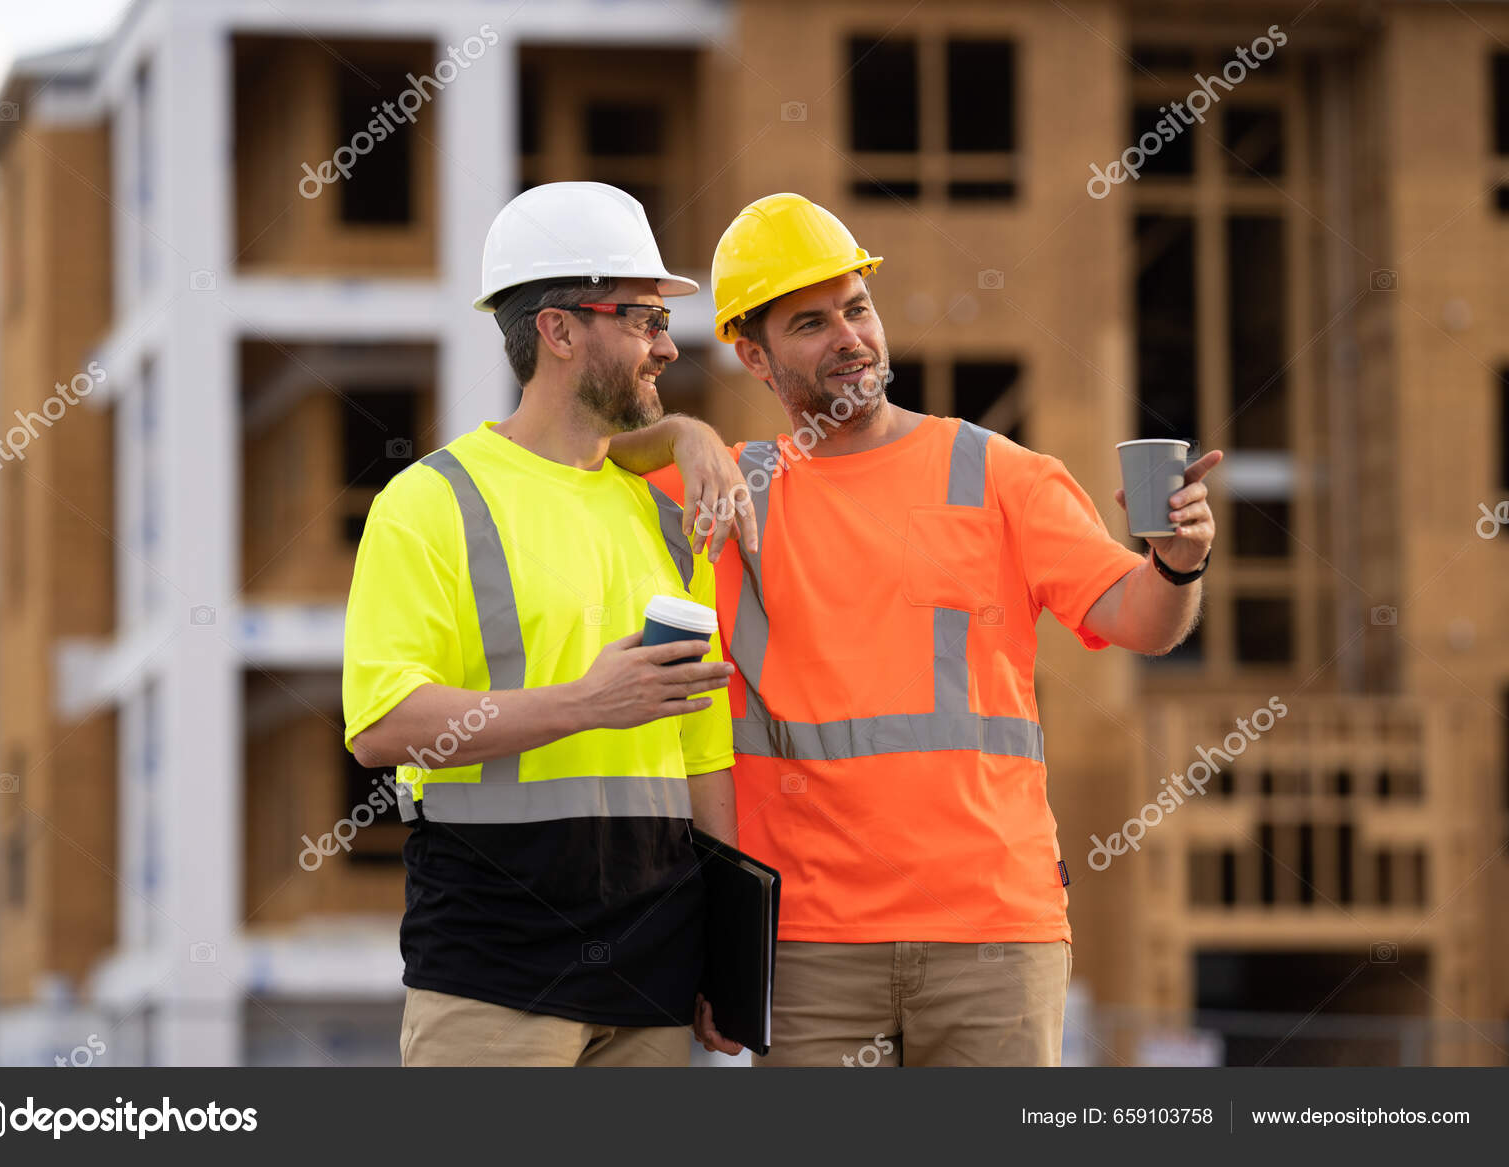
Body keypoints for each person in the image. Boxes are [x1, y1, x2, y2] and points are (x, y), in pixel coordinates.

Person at [611, 192, 1222, 1067]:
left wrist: (1178, 561)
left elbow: (1141, 618)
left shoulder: (997, 472)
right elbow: (586, 455)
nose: (850, 337)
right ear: (753, 354)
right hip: (808, 946)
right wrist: (685, 433)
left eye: (858, 308)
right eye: (811, 322)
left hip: (994, 936)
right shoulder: (730, 491)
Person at [342, 181, 741, 1067]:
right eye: (641, 317)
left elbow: (703, 751)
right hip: (493, 974)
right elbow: (380, 727)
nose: (667, 344)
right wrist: (587, 701)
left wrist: (725, 947)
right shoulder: (431, 502)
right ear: (559, 330)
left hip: (653, 980)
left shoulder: (670, 520)